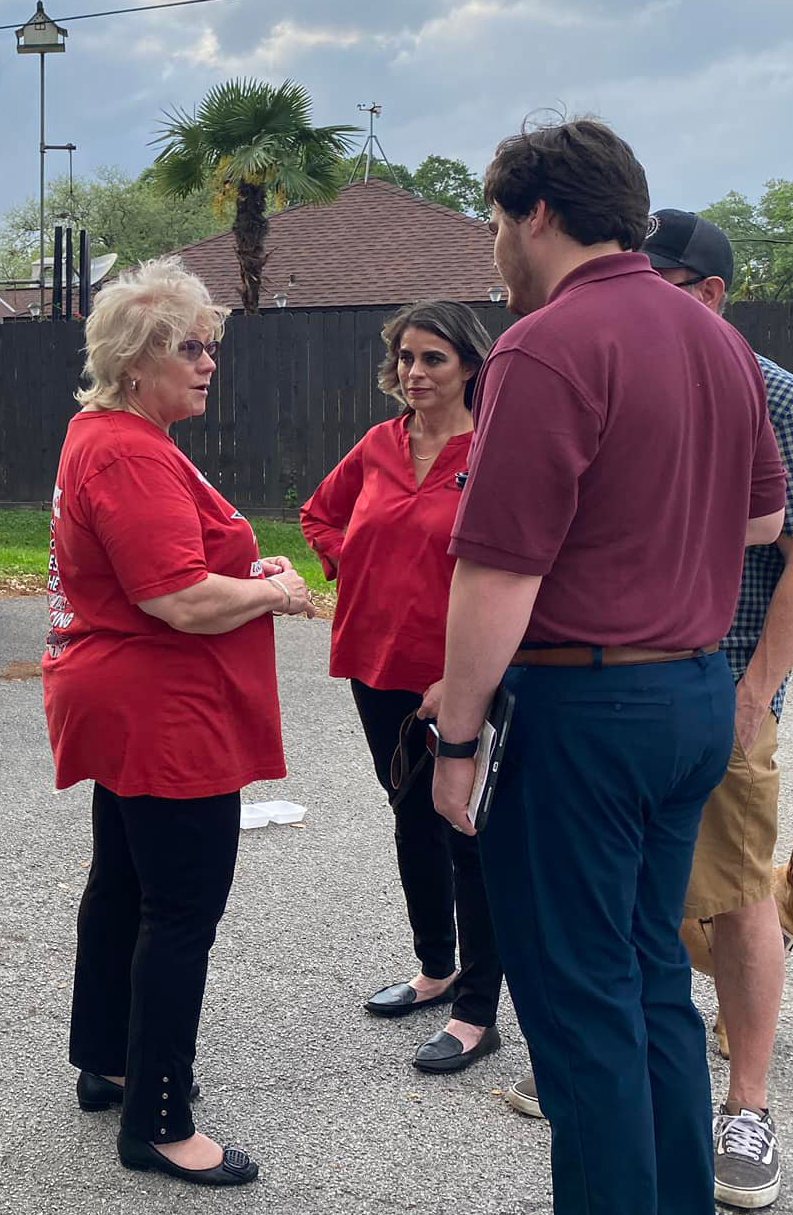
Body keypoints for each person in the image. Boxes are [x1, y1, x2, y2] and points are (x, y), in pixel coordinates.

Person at [429, 120, 786, 1215]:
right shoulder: (711, 336)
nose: (492, 243)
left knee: (580, 1006)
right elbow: (766, 513)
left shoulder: (545, 343)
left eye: (492, 218)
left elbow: (497, 571)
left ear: (535, 212)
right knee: (647, 985)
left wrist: (454, 740)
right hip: (688, 691)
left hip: (586, 704)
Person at [42, 257, 314, 1187]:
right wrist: (274, 591)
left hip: (133, 700)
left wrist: (247, 579)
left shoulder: (109, 433)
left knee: (123, 884)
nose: (208, 362)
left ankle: (110, 1060)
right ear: (134, 361)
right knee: (180, 910)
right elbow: (182, 600)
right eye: (188, 348)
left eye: (210, 345)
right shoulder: (126, 447)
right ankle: (158, 1120)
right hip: (163, 711)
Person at [639, 210, 793, 1208]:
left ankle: (748, 1110)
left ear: (710, 295)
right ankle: (628, 1077)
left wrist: (753, 694)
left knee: (732, 897)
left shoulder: (784, 403)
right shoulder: (630, 389)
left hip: (723, 691)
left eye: (657, 288)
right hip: (615, 690)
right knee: (624, 895)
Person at [300, 301, 505, 1073]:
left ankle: (480, 1011)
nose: (415, 374)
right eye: (407, 359)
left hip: (458, 671)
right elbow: (319, 515)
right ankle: (436, 966)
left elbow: (518, 564)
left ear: (471, 366)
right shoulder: (379, 445)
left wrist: (461, 676)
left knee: (467, 831)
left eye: (433, 360)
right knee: (409, 816)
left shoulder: (491, 451)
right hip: (374, 664)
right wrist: (356, 563)